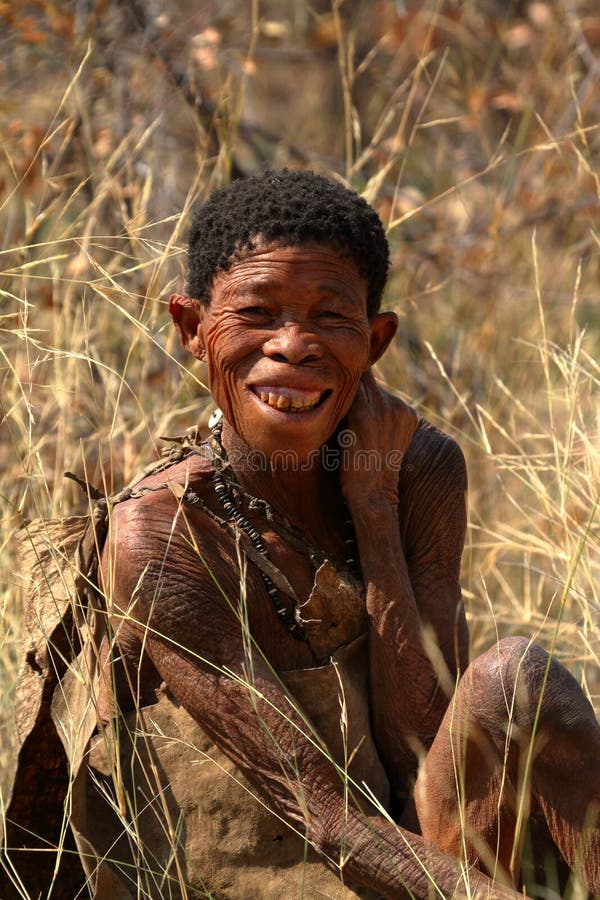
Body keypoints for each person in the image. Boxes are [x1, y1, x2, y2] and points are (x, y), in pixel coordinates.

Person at [3, 170, 598, 900]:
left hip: (418, 849)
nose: (293, 345)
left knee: (518, 677)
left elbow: (419, 756)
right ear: (192, 329)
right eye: (256, 312)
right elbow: (325, 816)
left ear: (375, 341)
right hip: (275, 874)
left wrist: (375, 511)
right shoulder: (161, 536)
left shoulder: (417, 468)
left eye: (331, 318)